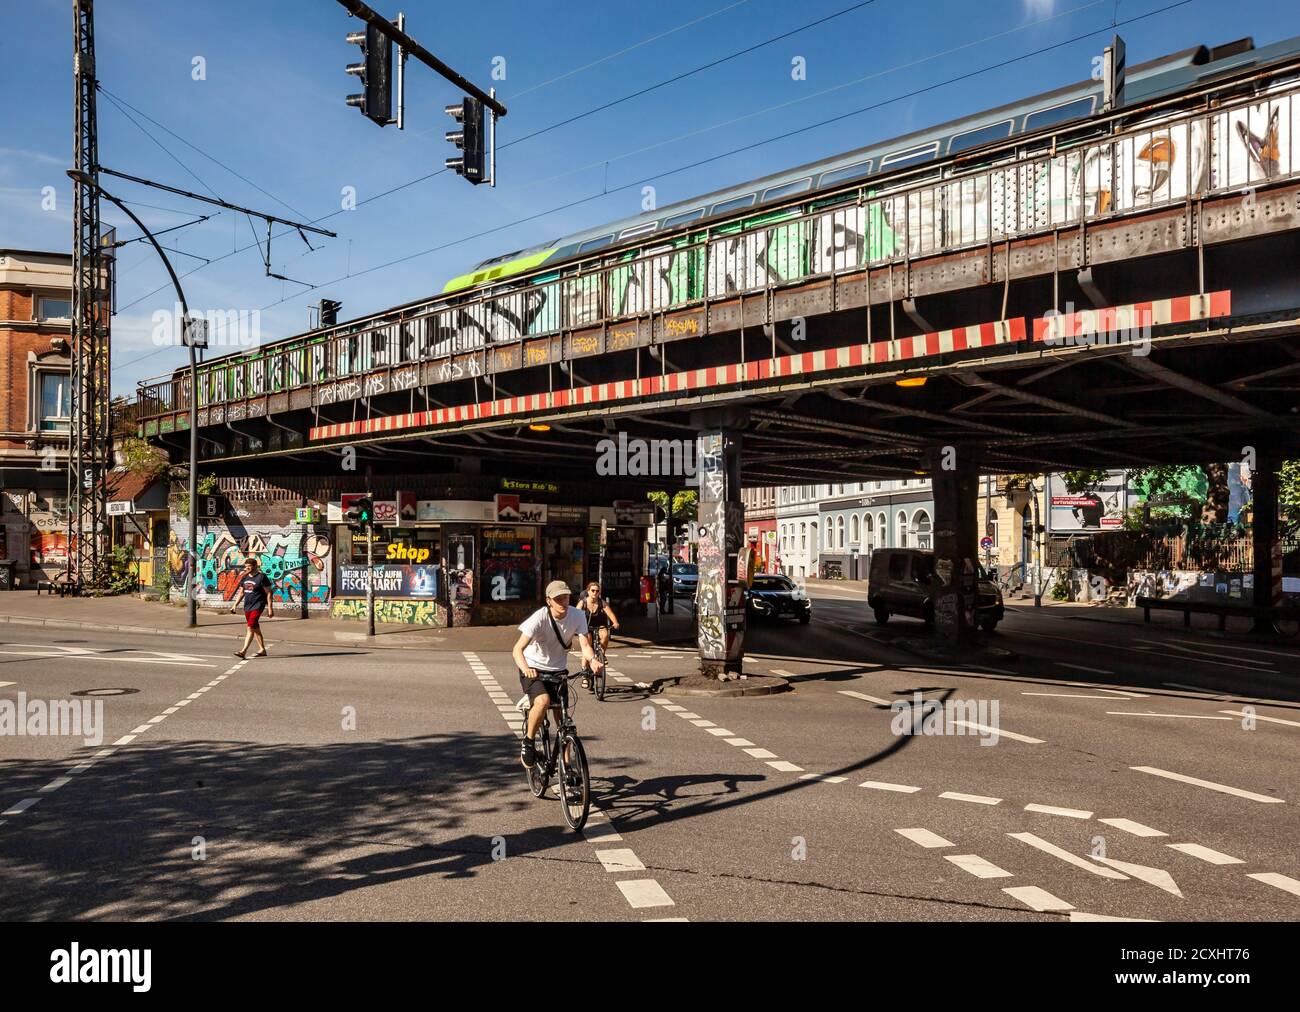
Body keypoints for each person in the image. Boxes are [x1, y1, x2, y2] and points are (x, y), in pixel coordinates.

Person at [512, 580, 603, 772]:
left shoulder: (578, 615)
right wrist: (526, 668)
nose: (563, 602)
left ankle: (567, 765)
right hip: (533, 669)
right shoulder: (539, 618)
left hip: (558, 671)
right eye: (558, 599)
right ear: (549, 601)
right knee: (543, 701)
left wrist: (593, 660)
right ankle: (528, 742)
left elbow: (585, 646)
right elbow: (517, 649)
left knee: (565, 723)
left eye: (566, 597)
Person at [576, 581, 619, 689]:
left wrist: (615, 622)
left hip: (599, 625)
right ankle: (585, 674)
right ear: (588, 592)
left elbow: (610, 613)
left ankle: (602, 654)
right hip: (586, 627)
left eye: (597, 591)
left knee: (605, 634)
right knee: (588, 645)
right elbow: (575, 614)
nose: (595, 593)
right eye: (593, 590)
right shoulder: (583, 602)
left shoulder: (601, 603)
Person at [230, 557, 274, 658]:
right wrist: (234, 605)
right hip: (247, 606)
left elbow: (269, 592)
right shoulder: (245, 577)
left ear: (255, 566)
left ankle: (243, 651)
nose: (247, 569)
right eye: (246, 567)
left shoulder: (261, 577)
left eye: (249, 567)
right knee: (255, 628)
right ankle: (262, 650)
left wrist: (270, 608)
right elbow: (241, 593)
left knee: (250, 627)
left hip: (258, 605)